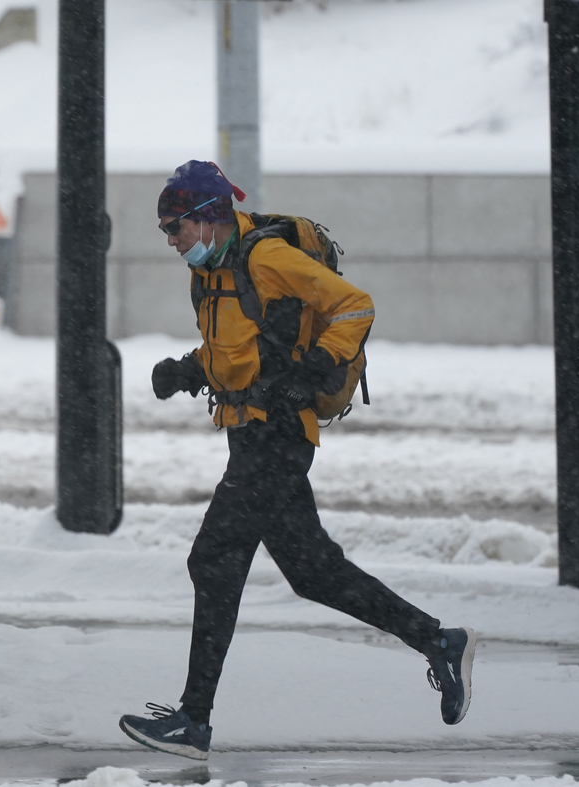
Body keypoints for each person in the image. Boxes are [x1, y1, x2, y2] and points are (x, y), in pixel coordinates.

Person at [117, 160, 475, 761]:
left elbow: (355, 305)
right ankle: (438, 640)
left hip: (279, 434)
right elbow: (234, 352)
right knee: (313, 572)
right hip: (250, 432)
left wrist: (321, 366)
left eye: (174, 229)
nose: (171, 242)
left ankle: (193, 720)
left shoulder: (265, 258)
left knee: (214, 559)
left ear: (208, 219)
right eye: (165, 232)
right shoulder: (210, 274)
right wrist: (187, 370)